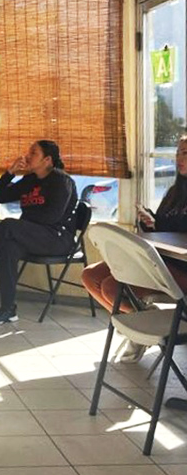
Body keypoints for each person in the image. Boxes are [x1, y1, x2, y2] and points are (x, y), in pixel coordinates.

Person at [82, 136, 187, 361]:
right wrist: (150, 222)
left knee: (112, 287)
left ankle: (143, 329)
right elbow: (162, 228)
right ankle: (144, 318)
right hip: (162, 261)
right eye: (178, 152)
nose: (179, 158)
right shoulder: (173, 193)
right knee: (91, 275)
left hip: (181, 267)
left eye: (185, 153)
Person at [0, 140, 77, 325]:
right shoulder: (30, 180)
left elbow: (52, 217)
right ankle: (7, 309)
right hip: (33, 236)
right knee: (8, 250)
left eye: (33, 153)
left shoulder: (61, 181)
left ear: (47, 160)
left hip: (57, 238)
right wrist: (10, 173)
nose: (27, 156)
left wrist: (21, 227)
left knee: (9, 226)